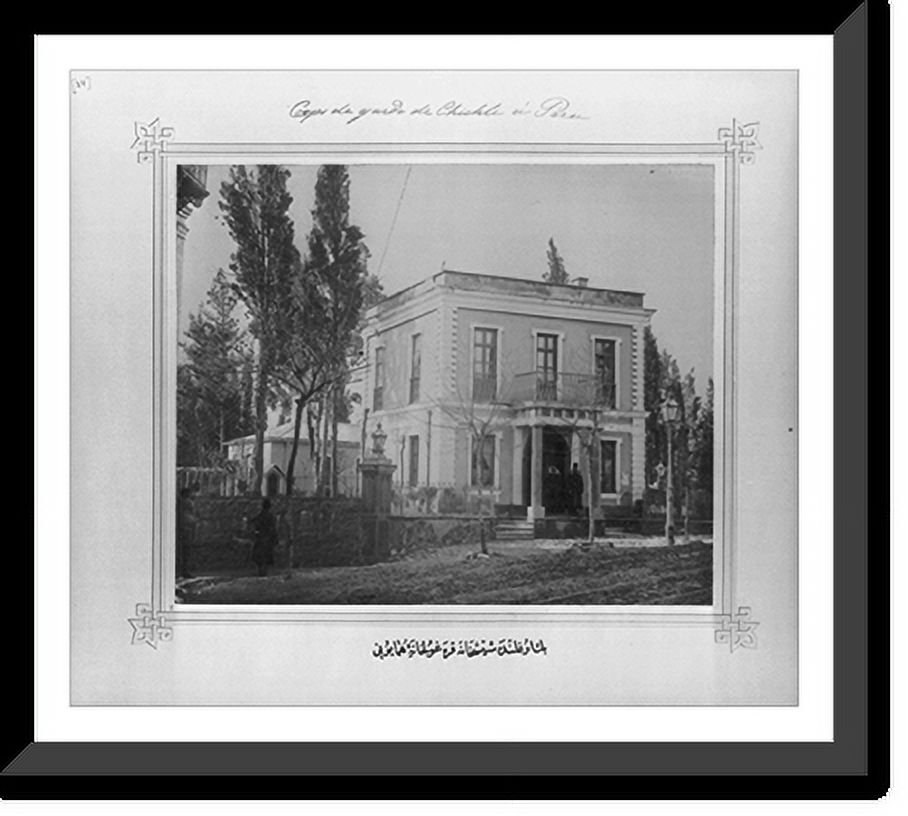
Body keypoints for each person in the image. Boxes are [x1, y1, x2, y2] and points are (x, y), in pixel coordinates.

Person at [249, 498, 278, 577]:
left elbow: (254, 525)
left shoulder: (260, 516)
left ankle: (261, 572)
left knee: (259, 558)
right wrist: (275, 539)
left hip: (260, 539)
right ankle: (264, 572)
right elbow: (273, 529)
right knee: (266, 557)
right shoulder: (271, 517)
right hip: (268, 540)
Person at [176, 486, 197, 579]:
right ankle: (184, 570)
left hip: (185, 526)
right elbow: (191, 513)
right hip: (186, 527)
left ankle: (182, 569)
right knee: (186, 550)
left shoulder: (181, 503)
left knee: (184, 550)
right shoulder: (187, 502)